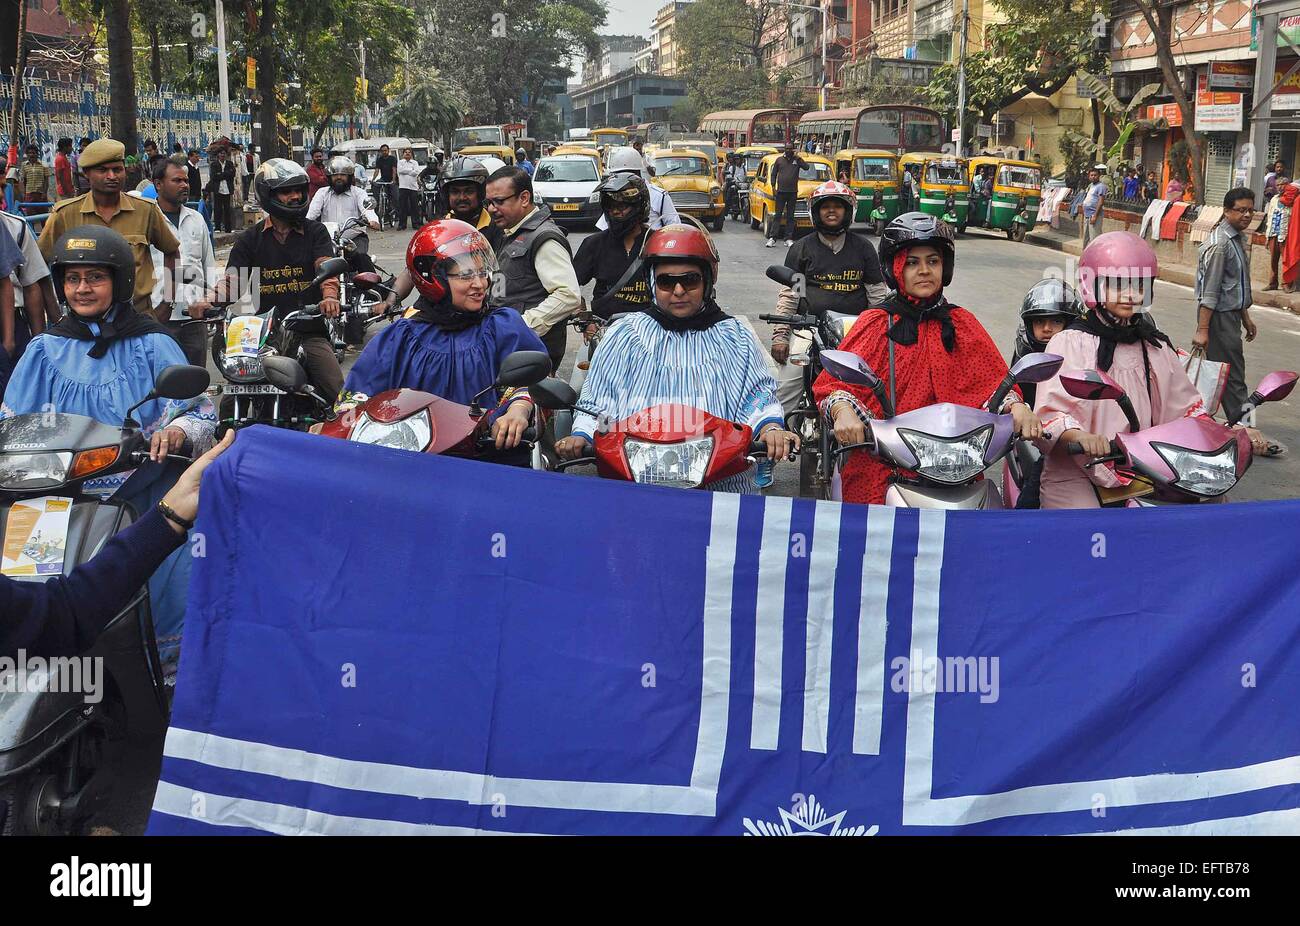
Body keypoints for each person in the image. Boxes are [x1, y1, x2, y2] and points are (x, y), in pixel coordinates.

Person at [2, 226, 217, 667]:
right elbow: (10, 426)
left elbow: (200, 412)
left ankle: (163, 688)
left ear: (117, 282)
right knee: (32, 614)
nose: (82, 288)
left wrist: (176, 432)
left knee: (166, 596)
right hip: (54, 507)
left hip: (143, 502)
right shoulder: (43, 350)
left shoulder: (154, 343)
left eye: (94, 277)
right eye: (72, 278)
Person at [812, 213, 1041, 506]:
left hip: (958, 467)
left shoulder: (962, 324)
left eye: (932, 261)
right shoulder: (876, 322)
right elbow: (837, 384)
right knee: (862, 541)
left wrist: (1017, 406)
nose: (924, 271)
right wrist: (842, 409)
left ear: (945, 268)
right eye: (912, 262)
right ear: (894, 269)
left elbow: (993, 383)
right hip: (887, 466)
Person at [555, 223, 798, 492]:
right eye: (666, 281)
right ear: (651, 283)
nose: (679, 290)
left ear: (707, 280)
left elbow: (757, 394)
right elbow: (600, 399)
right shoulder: (624, 334)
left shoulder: (736, 335)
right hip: (634, 482)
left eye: (690, 280)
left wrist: (770, 426)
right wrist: (583, 433)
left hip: (722, 483)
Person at [1034, 231, 1267, 508]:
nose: (1131, 294)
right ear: (1092, 285)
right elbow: (1051, 413)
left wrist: (1230, 432)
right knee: (1082, 535)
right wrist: (1080, 437)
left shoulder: (1154, 345)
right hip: (1078, 470)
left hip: (1147, 470)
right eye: (1119, 285)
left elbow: (1186, 408)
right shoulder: (1070, 343)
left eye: (1139, 285)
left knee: (1213, 509)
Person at [2, 430, 234, 660]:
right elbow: (63, 616)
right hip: (49, 497)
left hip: (140, 489)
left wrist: (177, 432)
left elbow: (62, 614)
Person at [338, 220, 548, 464]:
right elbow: (356, 400)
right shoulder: (398, 339)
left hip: (491, 461)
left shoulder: (503, 326)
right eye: (466, 275)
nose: (480, 284)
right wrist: (336, 427)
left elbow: (535, 381)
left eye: (483, 272)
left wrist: (519, 408)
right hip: (411, 466)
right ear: (431, 277)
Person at [211, 159, 345, 404]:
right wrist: (210, 300)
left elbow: (326, 269)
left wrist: (329, 297)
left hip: (306, 330)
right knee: (231, 401)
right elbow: (233, 282)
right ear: (267, 194)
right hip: (260, 338)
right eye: (286, 191)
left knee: (338, 393)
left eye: (299, 190)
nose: (295, 196)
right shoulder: (249, 239)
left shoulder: (316, 232)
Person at [770, 180, 890, 415]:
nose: (832, 211)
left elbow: (877, 296)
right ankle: (781, 443)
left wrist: (881, 334)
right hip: (809, 330)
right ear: (816, 212)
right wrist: (780, 336)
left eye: (838, 206)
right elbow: (790, 296)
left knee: (879, 386)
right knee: (787, 387)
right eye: (826, 206)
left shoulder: (864, 248)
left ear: (848, 211)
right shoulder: (802, 249)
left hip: (857, 332)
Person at [37, 138, 180, 317]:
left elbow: (172, 251)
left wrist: (168, 303)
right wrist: (54, 313)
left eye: (117, 169)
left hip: (137, 318)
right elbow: (38, 264)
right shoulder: (65, 214)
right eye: (102, 170)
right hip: (84, 324)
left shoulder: (145, 210)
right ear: (86, 174)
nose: (112, 176)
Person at [1194, 188, 1282, 456]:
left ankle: (1214, 424)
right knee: (1233, 378)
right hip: (1218, 318)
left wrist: (1246, 317)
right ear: (1226, 211)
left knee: (1219, 375)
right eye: (1240, 210)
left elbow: (1236, 286)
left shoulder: (1236, 239)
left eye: (1249, 210)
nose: (1246, 215)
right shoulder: (1221, 244)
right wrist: (1203, 329)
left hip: (1231, 315)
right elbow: (1211, 291)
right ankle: (1247, 432)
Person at [484, 165, 581, 372]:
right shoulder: (510, 233)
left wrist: (521, 327)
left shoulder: (544, 238)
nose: (492, 209)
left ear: (525, 198)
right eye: (489, 203)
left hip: (528, 356)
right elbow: (502, 288)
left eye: (499, 201)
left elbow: (568, 295)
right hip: (506, 347)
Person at [148, 155, 216, 366]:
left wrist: (212, 303)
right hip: (158, 317)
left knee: (196, 381)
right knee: (160, 382)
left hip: (194, 318)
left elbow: (208, 265)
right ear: (158, 184)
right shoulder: (146, 219)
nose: (184, 185)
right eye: (177, 180)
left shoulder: (196, 219)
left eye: (185, 180)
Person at [573, 172, 654, 320]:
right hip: (606, 330)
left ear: (639, 206)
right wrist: (585, 318)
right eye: (611, 207)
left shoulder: (657, 242)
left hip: (651, 330)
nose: (615, 211)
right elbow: (567, 286)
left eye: (622, 206)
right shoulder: (594, 244)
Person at [596, 147, 680, 231]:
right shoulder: (613, 196)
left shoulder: (659, 196)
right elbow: (604, 228)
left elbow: (674, 228)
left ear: (637, 173)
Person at [767, 143, 808, 248]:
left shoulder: (797, 160)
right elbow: (773, 174)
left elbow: (806, 167)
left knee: (790, 216)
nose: (789, 150)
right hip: (780, 192)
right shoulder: (779, 160)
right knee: (778, 215)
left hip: (793, 192)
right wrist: (773, 186)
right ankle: (772, 238)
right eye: (787, 149)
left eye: (790, 149)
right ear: (784, 149)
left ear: (793, 149)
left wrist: (799, 158)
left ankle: (788, 238)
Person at [1265, 175, 1295, 291]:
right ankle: (1272, 283)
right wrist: (1268, 236)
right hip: (1273, 233)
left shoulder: (1291, 199)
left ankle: (1286, 284)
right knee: (1273, 259)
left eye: (1282, 185)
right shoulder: (1274, 199)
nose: (1280, 187)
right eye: (1278, 185)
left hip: (1285, 234)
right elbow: (1270, 217)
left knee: (1286, 260)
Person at [1073, 166, 1107, 247]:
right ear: (1089, 176)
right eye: (1091, 175)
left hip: (1094, 215)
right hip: (1087, 215)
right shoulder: (1091, 186)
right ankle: (1085, 255)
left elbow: (1101, 201)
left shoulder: (1101, 186)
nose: (1093, 177)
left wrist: (1095, 216)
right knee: (1086, 237)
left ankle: (1095, 255)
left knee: (1094, 237)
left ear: (1099, 176)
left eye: (1095, 175)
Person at [206, 146, 236, 232]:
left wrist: (221, 174)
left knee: (227, 209)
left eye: (224, 153)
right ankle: (218, 227)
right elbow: (214, 176)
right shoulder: (214, 164)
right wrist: (225, 174)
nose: (222, 155)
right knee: (218, 209)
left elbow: (232, 174)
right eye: (221, 153)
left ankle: (228, 228)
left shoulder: (229, 163)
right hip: (218, 189)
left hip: (227, 189)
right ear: (218, 155)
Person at [18, 143, 51, 214]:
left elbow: (46, 180)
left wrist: (45, 193)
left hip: (40, 193)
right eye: (29, 153)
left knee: (43, 214)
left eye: (33, 153)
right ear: (27, 154)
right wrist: (24, 194)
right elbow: (23, 180)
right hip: (29, 193)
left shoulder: (43, 164)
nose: (31, 155)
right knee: (30, 214)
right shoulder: (24, 165)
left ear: (37, 154)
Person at [395, 146, 422, 230]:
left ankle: (416, 223)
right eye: (405, 152)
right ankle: (402, 224)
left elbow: (416, 172)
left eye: (409, 152)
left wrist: (406, 171)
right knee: (402, 206)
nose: (407, 153)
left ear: (411, 154)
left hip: (413, 187)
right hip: (403, 186)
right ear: (403, 154)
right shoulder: (400, 162)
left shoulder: (415, 162)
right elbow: (400, 171)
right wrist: (410, 170)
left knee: (415, 206)